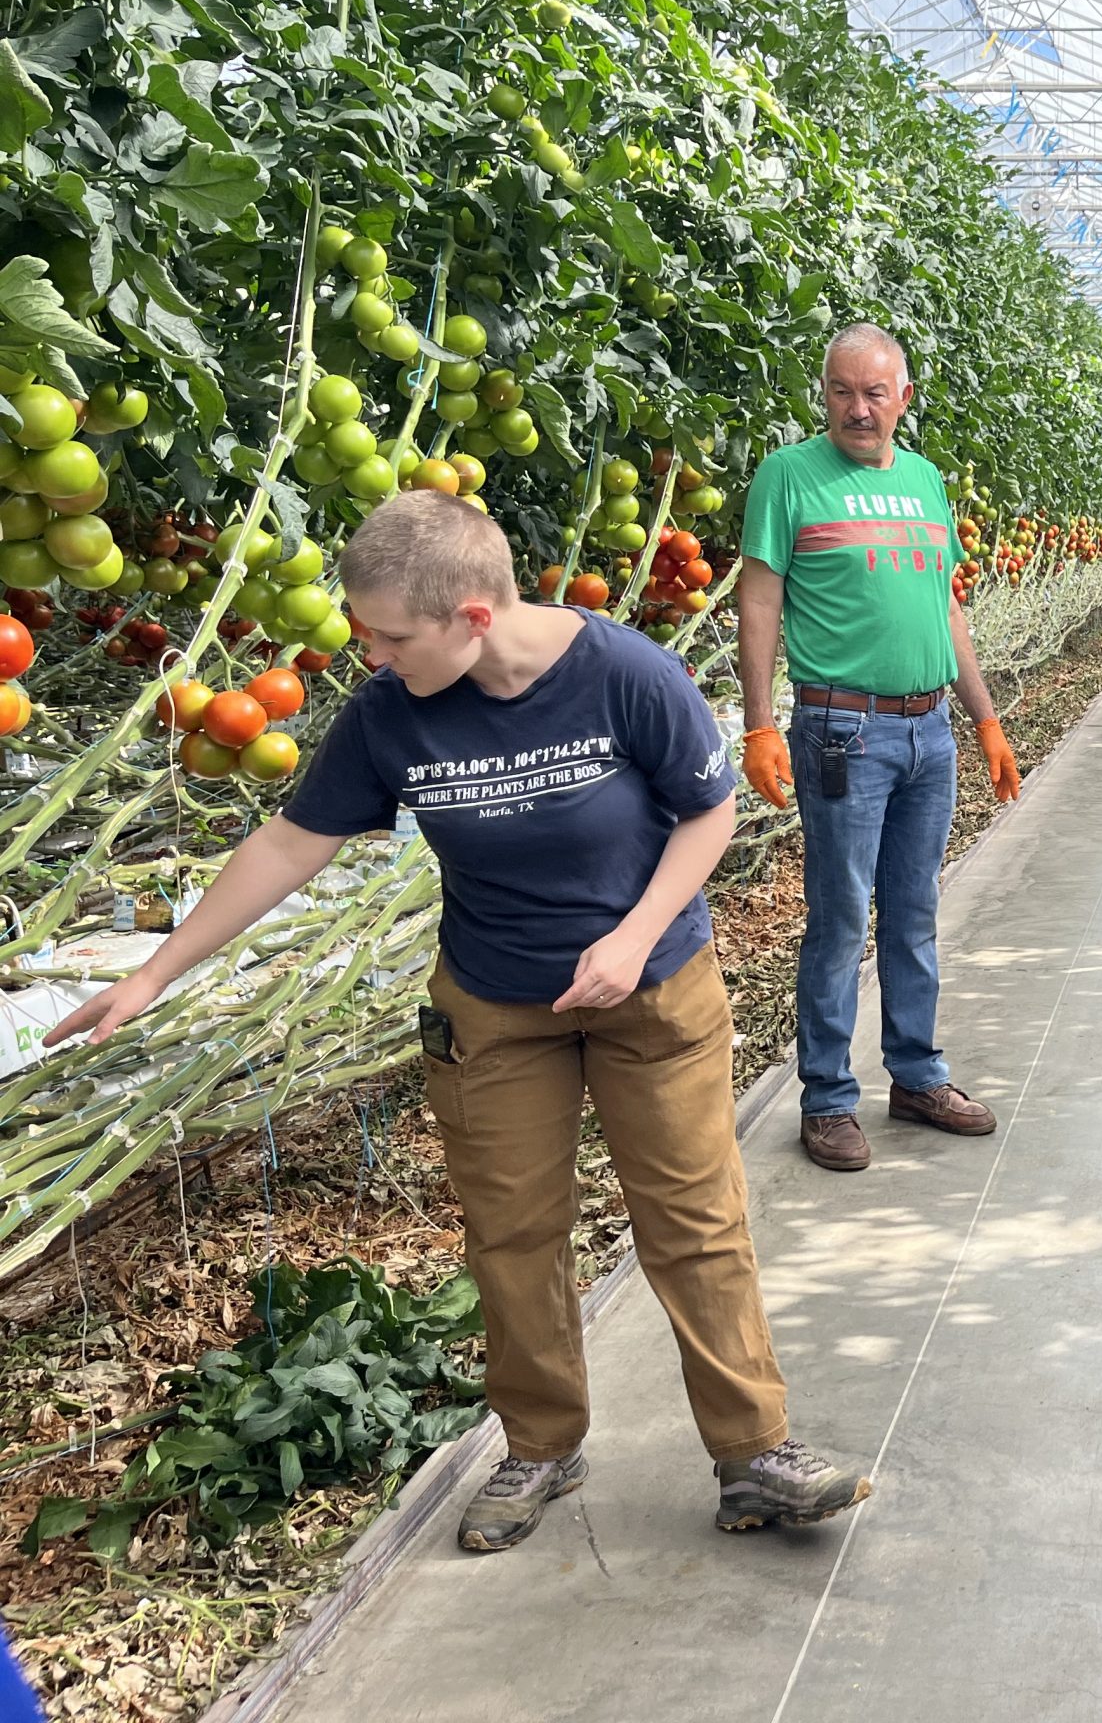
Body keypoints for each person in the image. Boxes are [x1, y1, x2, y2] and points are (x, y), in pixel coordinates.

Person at [48, 493, 868, 1550]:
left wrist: (632, 937)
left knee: (693, 1223)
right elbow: (291, 844)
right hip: (494, 1003)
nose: (370, 656)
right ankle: (541, 1446)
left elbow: (709, 810)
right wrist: (153, 974)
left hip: (651, 992)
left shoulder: (626, 673)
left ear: (473, 616)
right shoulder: (393, 713)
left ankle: (754, 1452)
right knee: (512, 1233)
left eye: (389, 635)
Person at [735, 323, 1021, 1174]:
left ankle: (915, 1074)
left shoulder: (928, 481)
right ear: (822, 395)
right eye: (841, 393)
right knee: (839, 918)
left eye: (874, 393)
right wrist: (758, 722)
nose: (858, 410)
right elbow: (758, 605)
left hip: (929, 730)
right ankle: (826, 1096)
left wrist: (984, 718)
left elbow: (948, 611)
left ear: (903, 397)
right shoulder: (789, 477)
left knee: (915, 912)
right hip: (842, 732)